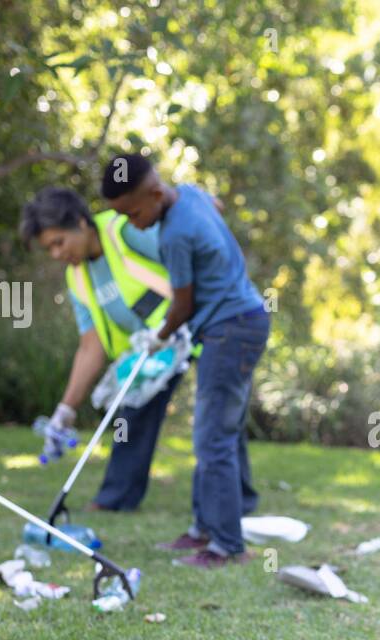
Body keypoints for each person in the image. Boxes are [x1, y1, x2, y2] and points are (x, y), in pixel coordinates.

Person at [101, 154, 269, 569]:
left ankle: (228, 545)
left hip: (232, 329)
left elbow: (182, 304)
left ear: (156, 194)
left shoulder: (174, 234)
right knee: (211, 432)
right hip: (234, 324)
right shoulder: (190, 195)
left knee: (213, 438)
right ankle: (202, 531)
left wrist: (156, 339)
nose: (130, 223)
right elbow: (217, 206)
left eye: (133, 212)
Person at [20, 186, 189, 511]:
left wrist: (177, 323)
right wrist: (64, 412)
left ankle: (115, 499)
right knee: (133, 407)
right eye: (49, 249)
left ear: (82, 223)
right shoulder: (78, 277)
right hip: (147, 354)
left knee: (148, 410)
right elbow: (91, 347)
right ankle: (118, 497)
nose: (56, 254)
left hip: (184, 332)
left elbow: (184, 264)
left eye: (59, 242)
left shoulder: (125, 231)